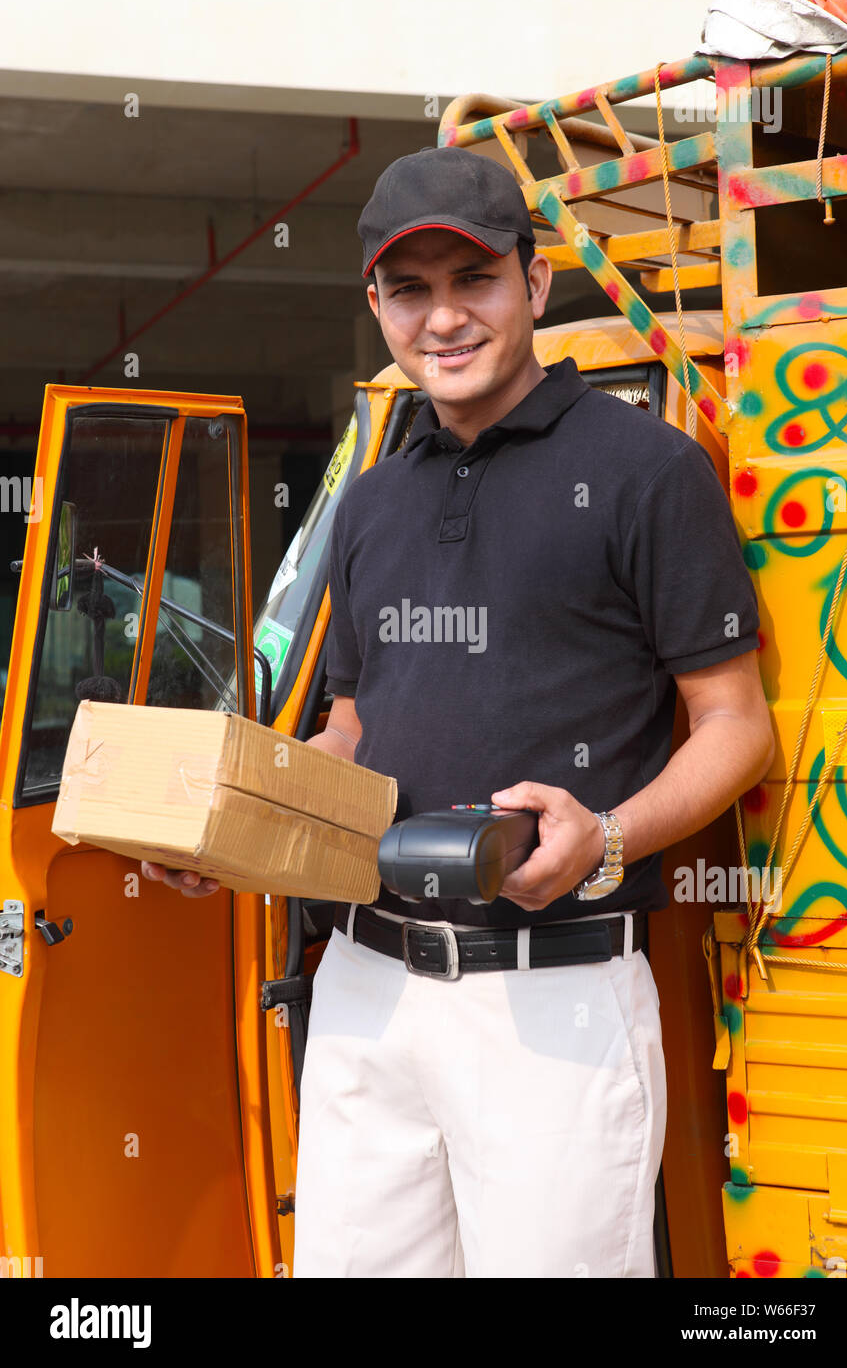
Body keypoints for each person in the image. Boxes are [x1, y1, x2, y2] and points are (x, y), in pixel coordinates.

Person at [144, 146, 774, 1278]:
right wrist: (243, 820)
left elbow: (735, 727)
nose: (442, 317)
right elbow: (349, 726)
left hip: (556, 999)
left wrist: (610, 835)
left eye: (471, 279)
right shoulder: (374, 499)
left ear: (533, 286)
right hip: (364, 990)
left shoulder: (647, 473)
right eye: (409, 289)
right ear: (376, 305)